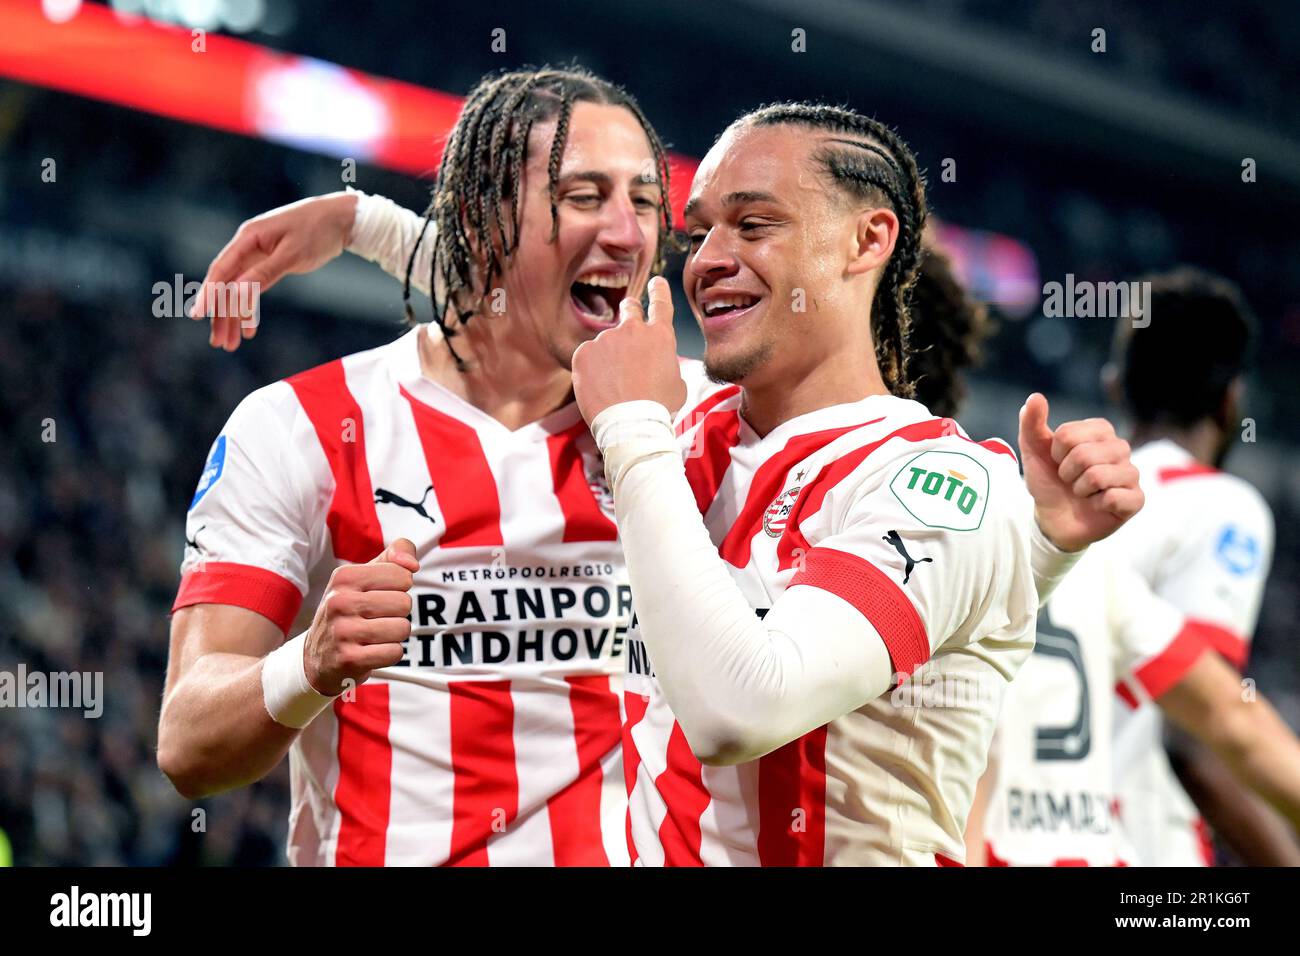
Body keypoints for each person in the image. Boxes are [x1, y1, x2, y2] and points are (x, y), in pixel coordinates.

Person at [567, 103, 1143, 865]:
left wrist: (635, 436)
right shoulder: (680, 415)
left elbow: (740, 709)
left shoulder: (937, 480)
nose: (706, 258)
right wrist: (376, 232)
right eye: (699, 230)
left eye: (754, 224)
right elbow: (511, 310)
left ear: (868, 240)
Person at [159, 66, 695, 866]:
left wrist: (363, 223)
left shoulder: (690, 421)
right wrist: (310, 664)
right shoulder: (304, 426)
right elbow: (189, 744)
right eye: (584, 196)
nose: (628, 231)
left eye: (646, 200)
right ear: (481, 222)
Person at [1105, 268, 1294, 866]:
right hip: (1139, 849)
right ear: (1231, 398)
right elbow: (1199, 745)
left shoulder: (1075, 507)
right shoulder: (1223, 505)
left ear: (1118, 387)